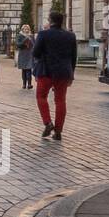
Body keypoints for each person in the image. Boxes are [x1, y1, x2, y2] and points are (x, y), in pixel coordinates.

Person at [31, 11, 78, 142]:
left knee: (41, 97)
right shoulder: (70, 36)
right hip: (64, 72)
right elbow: (74, 57)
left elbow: (35, 52)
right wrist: (71, 74)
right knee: (60, 101)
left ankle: (47, 122)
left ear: (50, 21)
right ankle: (58, 132)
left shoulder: (43, 34)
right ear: (62, 21)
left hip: (46, 71)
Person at [16, 23, 35, 91]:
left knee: (29, 69)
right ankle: (24, 84)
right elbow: (18, 45)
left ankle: (29, 84)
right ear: (22, 29)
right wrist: (25, 39)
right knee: (24, 70)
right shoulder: (19, 36)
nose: (26, 30)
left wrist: (30, 39)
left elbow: (34, 44)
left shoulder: (31, 36)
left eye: (27, 29)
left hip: (29, 54)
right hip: (23, 54)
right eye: (25, 29)